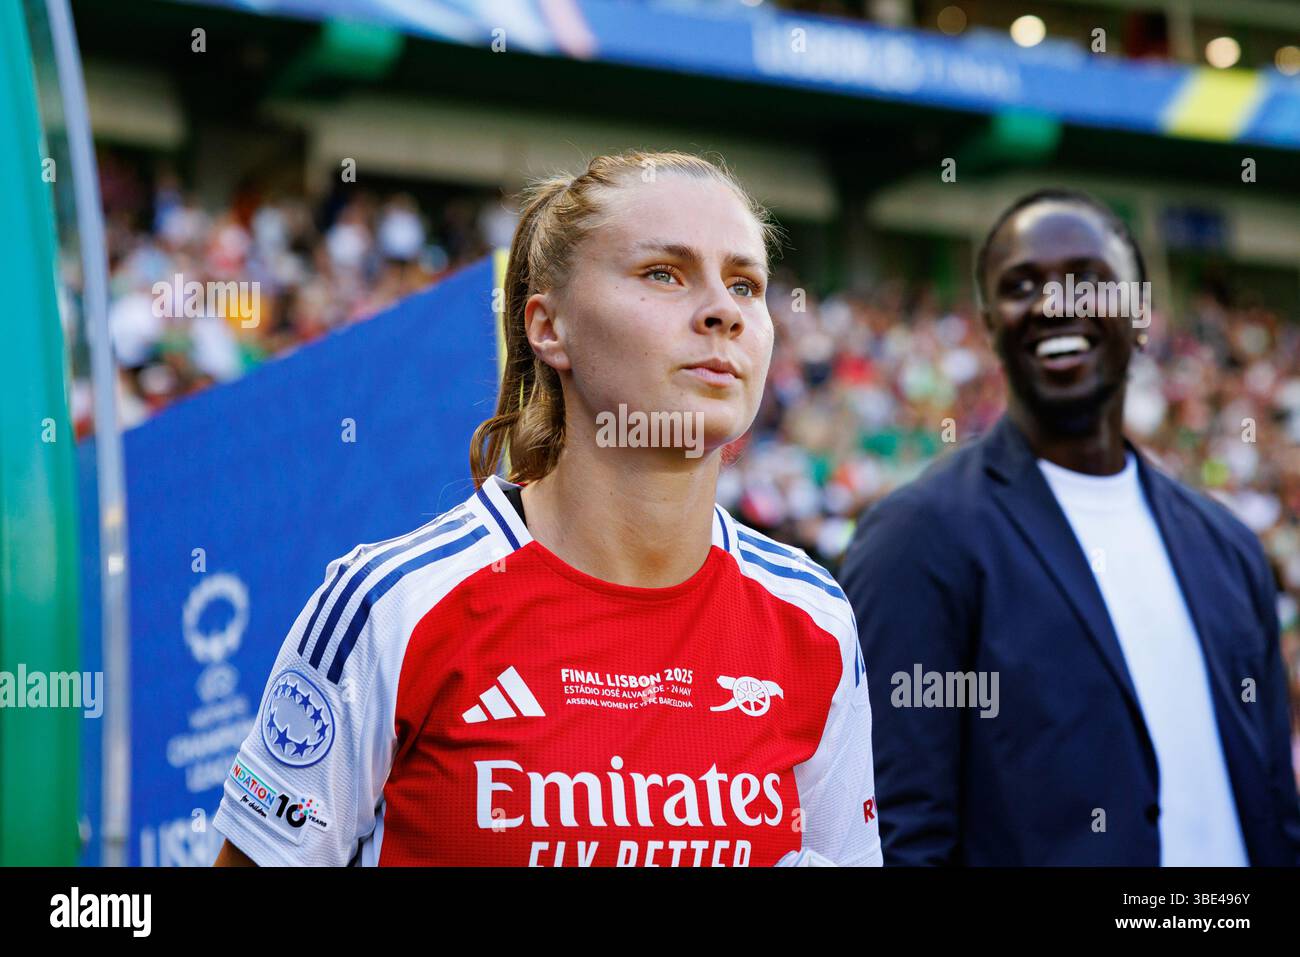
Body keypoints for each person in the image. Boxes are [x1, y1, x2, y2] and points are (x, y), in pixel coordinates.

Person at [212, 150, 881, 867]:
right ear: (548, 326)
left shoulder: (815, 622)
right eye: (664, 272)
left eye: (746, 284)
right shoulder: (392, 605)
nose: (723, 310)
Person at [840, 188, 1300, 866]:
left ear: (1141, 315)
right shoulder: (918, 536)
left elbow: (1273, 806)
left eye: (1088, 280)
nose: (1057, 304)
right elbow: (903, 832)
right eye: (1022, 285)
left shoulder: (1227, 546)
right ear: (992, 324)